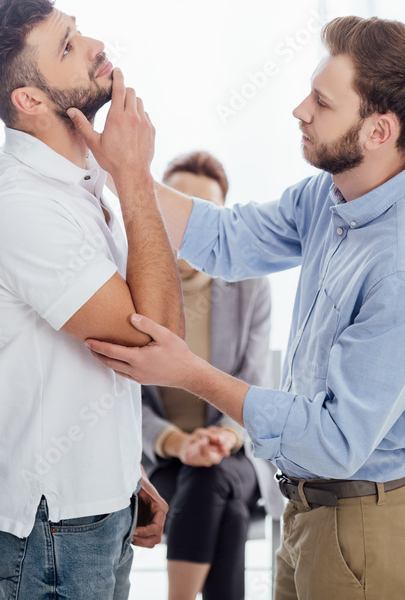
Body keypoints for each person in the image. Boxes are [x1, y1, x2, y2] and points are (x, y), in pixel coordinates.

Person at [81, 15, 405, 600]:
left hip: (367, 524)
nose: (300, 109)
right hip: (310, 508)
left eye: (322, 101)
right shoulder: (336, 191)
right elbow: (228, 239)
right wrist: (122, 172)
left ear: (378, 131)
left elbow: (334, 439)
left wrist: (188, 371)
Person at [0, 0, 176, 598]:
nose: (97, 47)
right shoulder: (20, 206)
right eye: (70, 46)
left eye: (78, 30)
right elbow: (154, 343)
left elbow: (65, 371)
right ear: (29, 97)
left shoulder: (68, 183)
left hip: (89, 505)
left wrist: (118, 472)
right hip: (52, 529)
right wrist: (133, 179)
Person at [142, 151, 279, 600]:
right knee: (230, 515)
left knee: (211, 477)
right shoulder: (131, 284)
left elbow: (254, 381)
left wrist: (220, 439)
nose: (188, 225)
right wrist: (180, 443)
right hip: (158, 460)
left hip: (232, 453)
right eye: (178, 208)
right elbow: (118, 397)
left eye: (204, 214)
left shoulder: (249, 285)